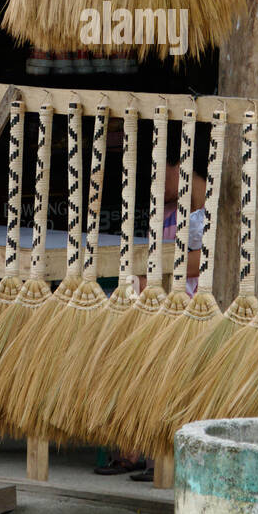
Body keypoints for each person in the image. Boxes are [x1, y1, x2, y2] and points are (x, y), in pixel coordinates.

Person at [95, 122, 209, 481]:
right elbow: (150, 259)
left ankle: (158, 457)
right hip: (156, 306)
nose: (157, 182)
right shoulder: (167, 211)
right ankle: (130, 446)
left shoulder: (206, 213)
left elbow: (206, 262)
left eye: (163, 172)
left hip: (189, 312)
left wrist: (156, 272)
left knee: (160, 364)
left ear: (184, 169)